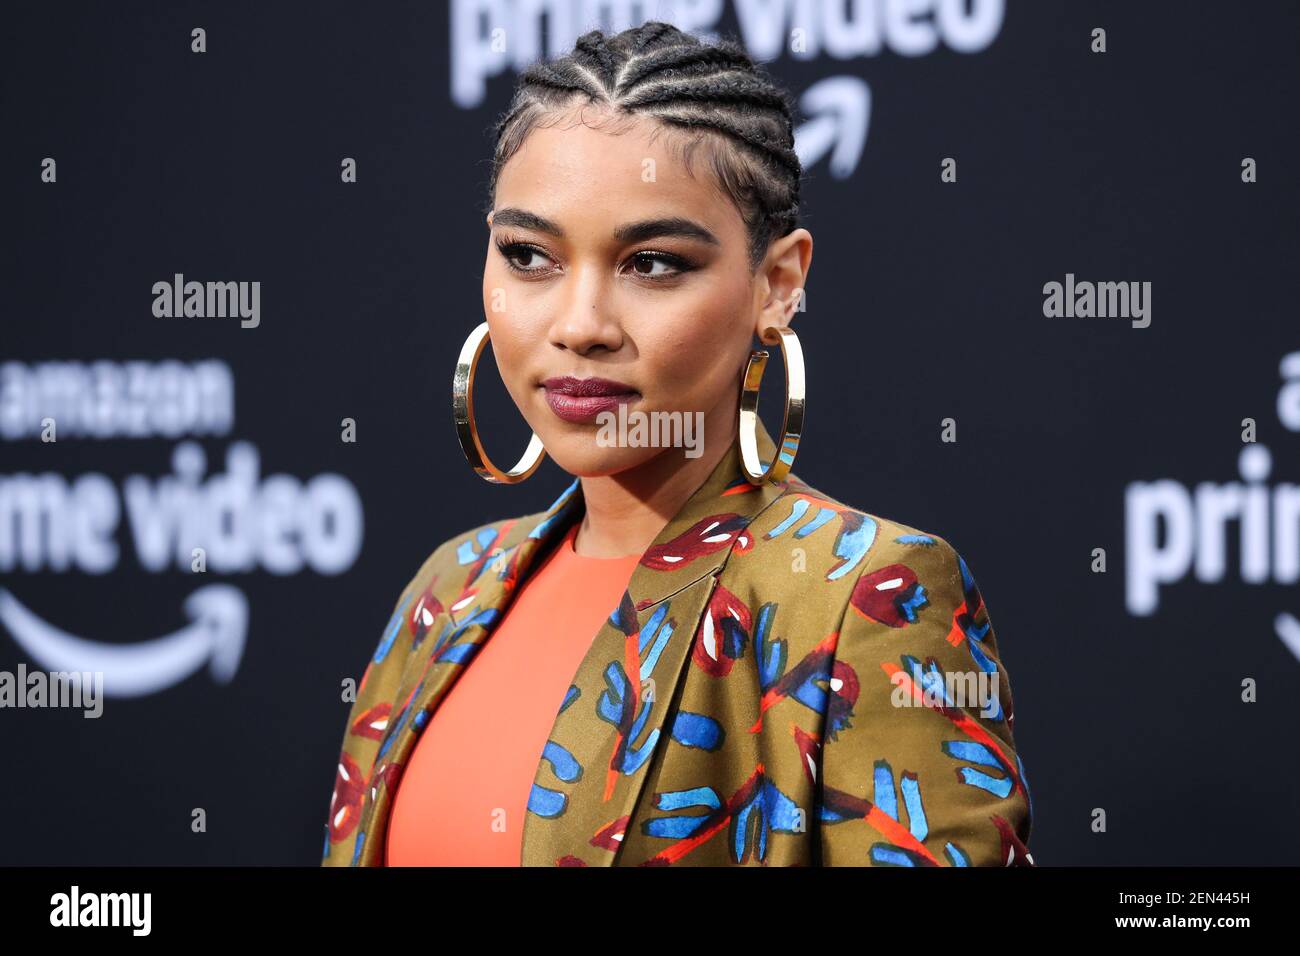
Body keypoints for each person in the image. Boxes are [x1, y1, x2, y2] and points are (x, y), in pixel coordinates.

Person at [322, 20, 1033, 867]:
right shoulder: (447, 592)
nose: (580, 325)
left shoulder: (866, 597)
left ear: (778, 285)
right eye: (528, 255)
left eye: (652, 263)